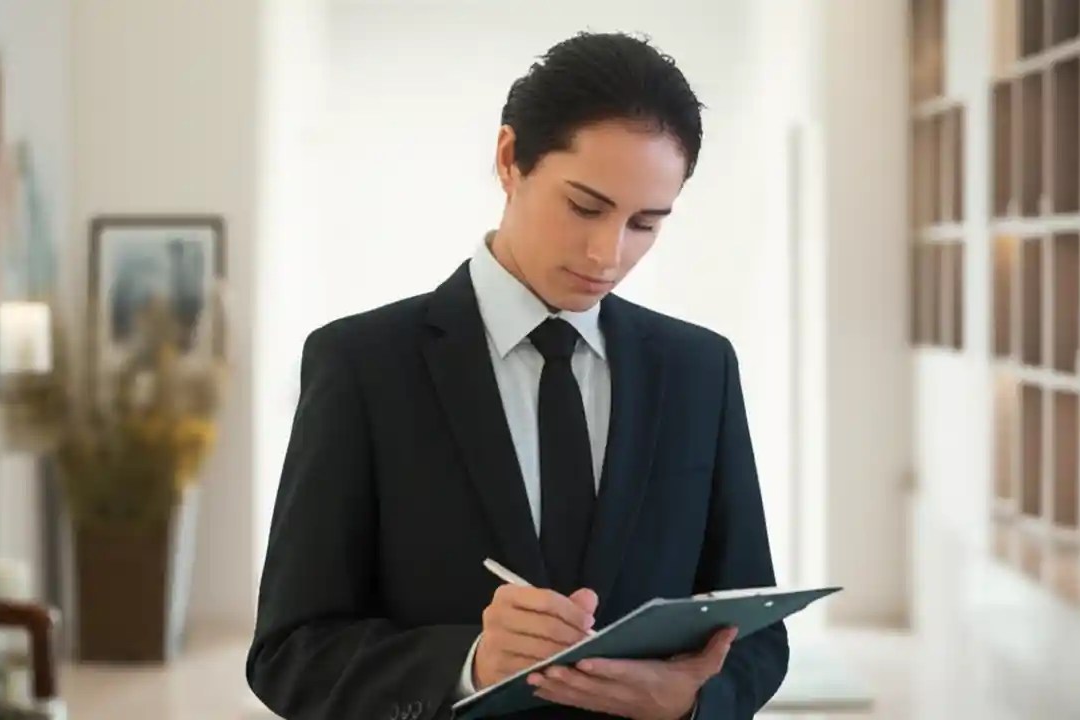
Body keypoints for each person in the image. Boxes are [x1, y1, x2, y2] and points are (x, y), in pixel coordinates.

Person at [247, 31, 788, 720]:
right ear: (509, 160)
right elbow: (289, 651)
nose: (607, 253)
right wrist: (468, 665)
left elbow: (757, 633)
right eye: (585, 207)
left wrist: (692, 699)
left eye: (646, 223)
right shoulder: (361, 366)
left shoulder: (699, 370)